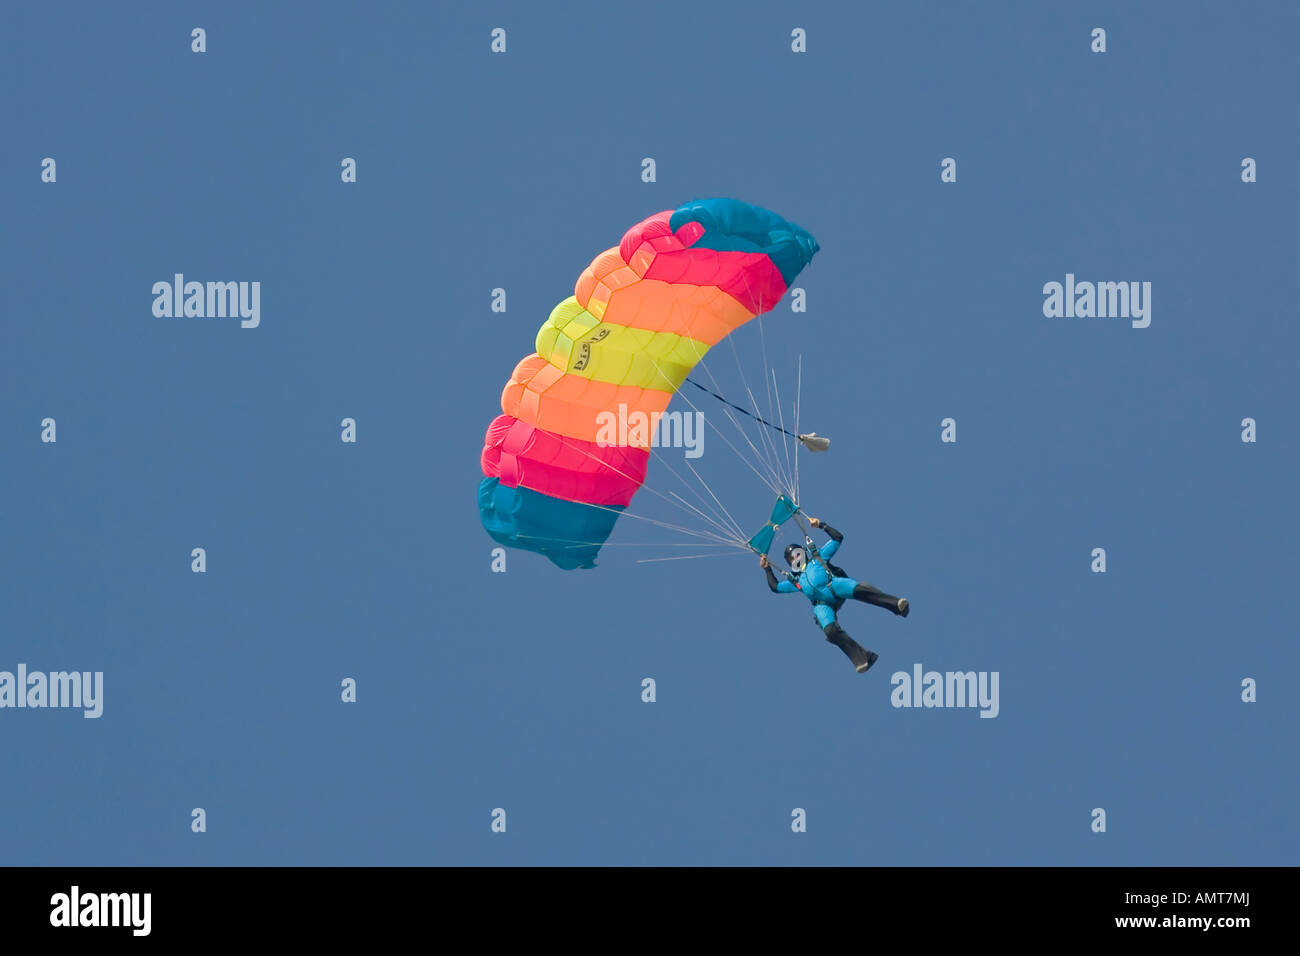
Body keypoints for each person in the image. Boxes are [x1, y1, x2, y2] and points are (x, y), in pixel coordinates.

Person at [759, 517, 908, 673]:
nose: (795, 558)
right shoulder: (795, 580)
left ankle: (897, 606)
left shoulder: (818, 557)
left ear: (803, 551)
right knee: (830, 632)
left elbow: (838, 538)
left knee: (861, 590)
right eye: (791, 558)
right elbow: (775, 587)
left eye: (797, 554)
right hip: (822, 604)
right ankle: (863, 658)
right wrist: (767, 569)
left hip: (834, 586)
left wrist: (821, 525)